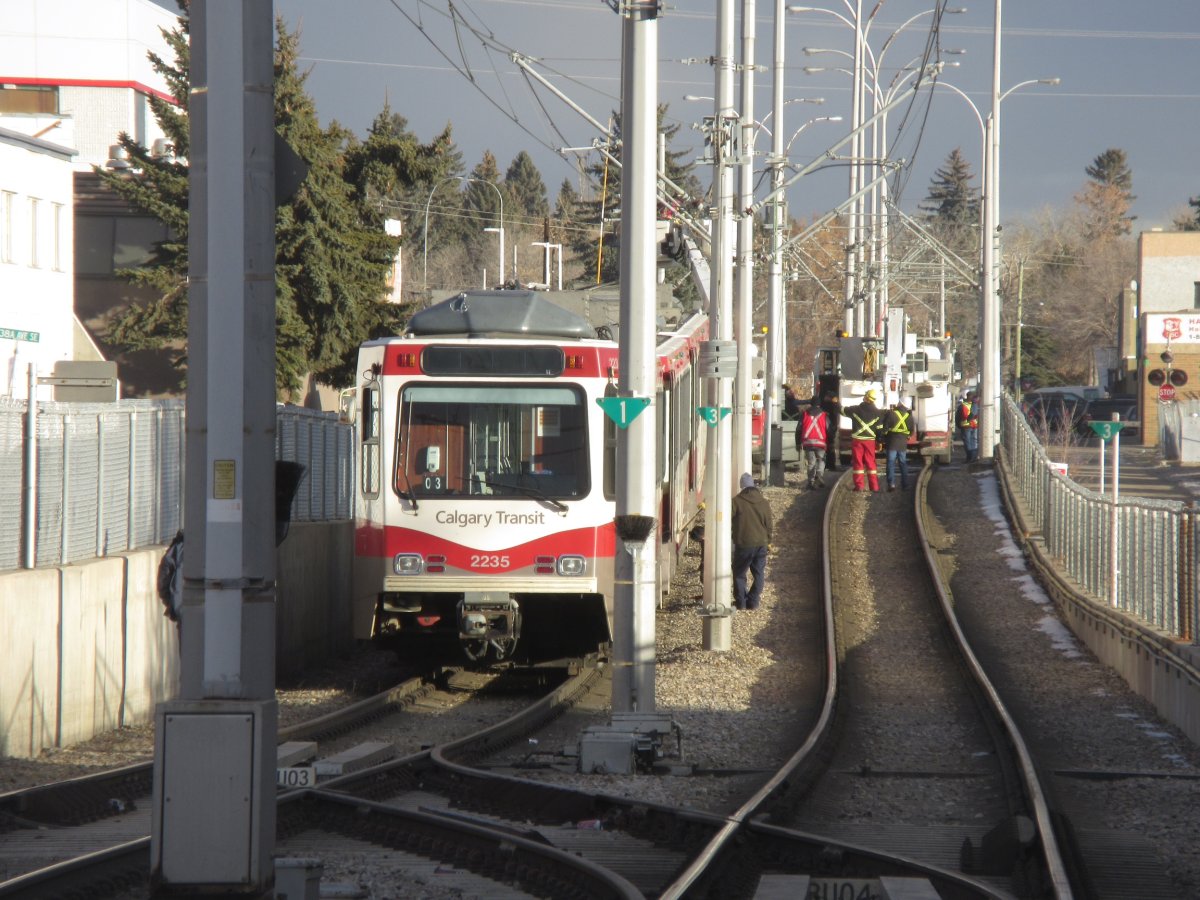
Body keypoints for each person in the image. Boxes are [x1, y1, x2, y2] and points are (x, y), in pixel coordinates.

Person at [731, 472, 773, 611]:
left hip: (744, 543)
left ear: (742, 486)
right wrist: (769, 541)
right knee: (759, 573)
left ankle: (741, 603)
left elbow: (728, 520)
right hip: (761, 543)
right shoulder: (764, 502)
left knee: (739, 573)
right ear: (754, 485)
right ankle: (754, 602)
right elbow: (769, 524)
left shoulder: (736, 501)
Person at [845, 389, 883, 492]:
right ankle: (874, 487)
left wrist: (835, 403)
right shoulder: (878, 413)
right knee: (871, 463)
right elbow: (879, 429)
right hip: (870, 441)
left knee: (858, 463)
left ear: (866, 397)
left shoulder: (855, 410)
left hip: (857, 440)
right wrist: (879, 442)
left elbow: (842, 411)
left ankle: (859, 486)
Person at [798, 398, 830, 489]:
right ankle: (819, 474)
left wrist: (798, 443)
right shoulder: (824, 415)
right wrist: (829, 441)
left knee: (811, 462)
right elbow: (829, 429)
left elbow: (798, 429)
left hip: (807, 442)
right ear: (819, 405)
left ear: (811, 404)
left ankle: (810, 482)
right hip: (820, 443)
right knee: (821, 459)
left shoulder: (804, 414)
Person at [881, 399, 913, 491]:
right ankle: (905, 484)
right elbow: (911, 431)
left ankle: (891, 484)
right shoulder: (909, 417)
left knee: (890, 463)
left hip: (892, 443)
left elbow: (885, 429)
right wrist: (907, 436)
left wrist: (882, 438)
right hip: (902, 444)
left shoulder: (891, 414)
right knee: (903, 463)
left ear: (900, 404)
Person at [821, 390, 841, 471]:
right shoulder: (836, 404)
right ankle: (830, 465)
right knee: (830, 446)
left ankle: (829, 465)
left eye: (826, 397)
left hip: (830, 428)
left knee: (829, 447)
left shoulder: (831, 405)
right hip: (832, 427)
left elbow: (831, 417)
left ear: (829, 398)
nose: (824, 398)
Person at [958, 391, 979, 463]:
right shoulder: (975, 404)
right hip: (974, 425)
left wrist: (959, 425)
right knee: (973, 440)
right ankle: (973, 456)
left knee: (967, 442)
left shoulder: (963, 405)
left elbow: (958, 416)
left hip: (966, 425)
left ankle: (970, 457)